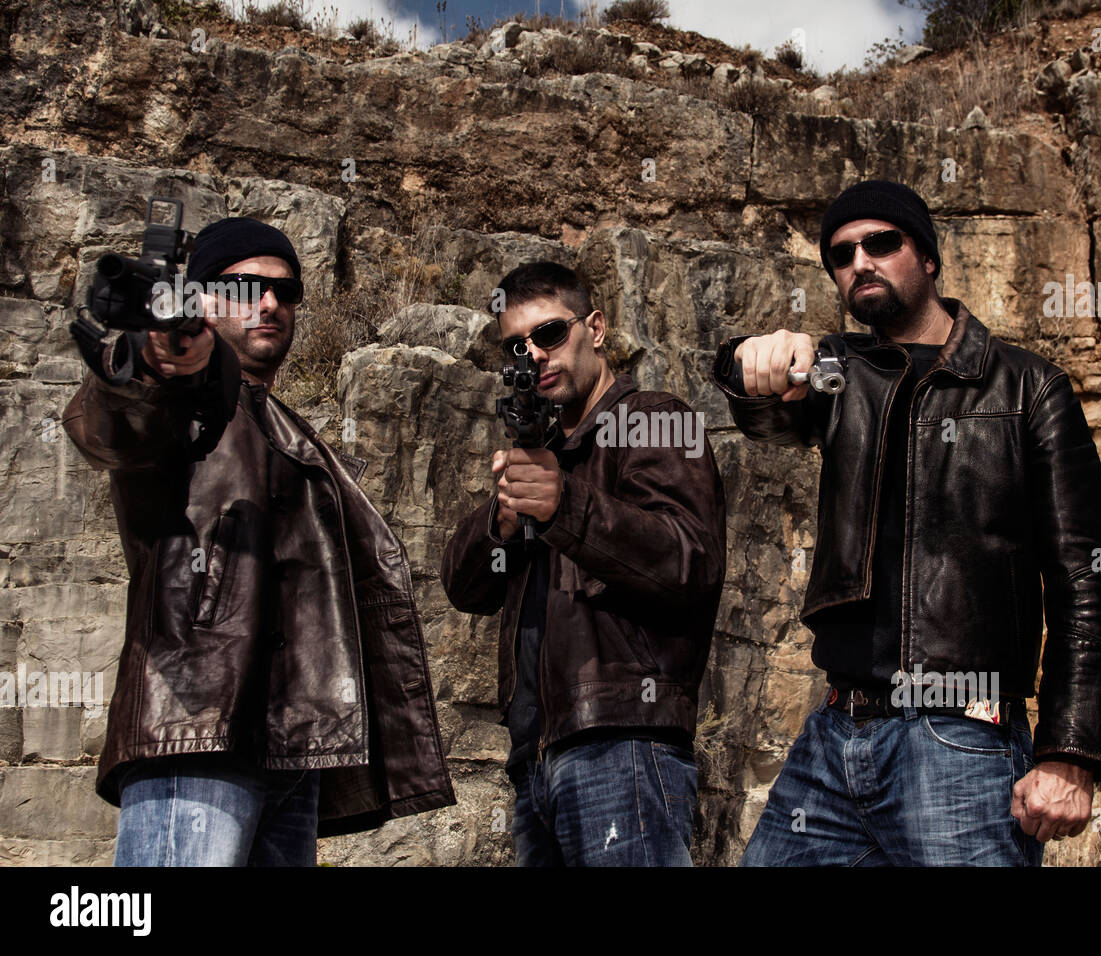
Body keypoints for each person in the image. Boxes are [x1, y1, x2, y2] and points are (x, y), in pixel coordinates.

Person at [714, 180, 1101, 866]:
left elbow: (1088, 579)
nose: (860, 263)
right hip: (835, 733)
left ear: (928, 258)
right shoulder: (836, 373)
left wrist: (1071, 755)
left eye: (882, 243)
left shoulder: (1027, 388)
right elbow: (766, 411)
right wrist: (746, 359)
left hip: (961, 738)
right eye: (841, 255)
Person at [63, 217, 454, 866]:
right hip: (194, 729)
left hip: (288, 753)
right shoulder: (184, 401)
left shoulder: (291, 432)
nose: (269, 302)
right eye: (244, 287)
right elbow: (115, 425)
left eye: (284, 290)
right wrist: (153, 366)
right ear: (201, 302)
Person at [441, 261, 726, 866]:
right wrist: (501, 521)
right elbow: (465, 589)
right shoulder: (549, 451)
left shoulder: (653, 417)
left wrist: (565, 505)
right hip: (535, 759)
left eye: (548, 335)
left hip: (622, 742)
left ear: (594, 328)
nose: (533, 356)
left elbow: (691, 561)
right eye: (514, 346)